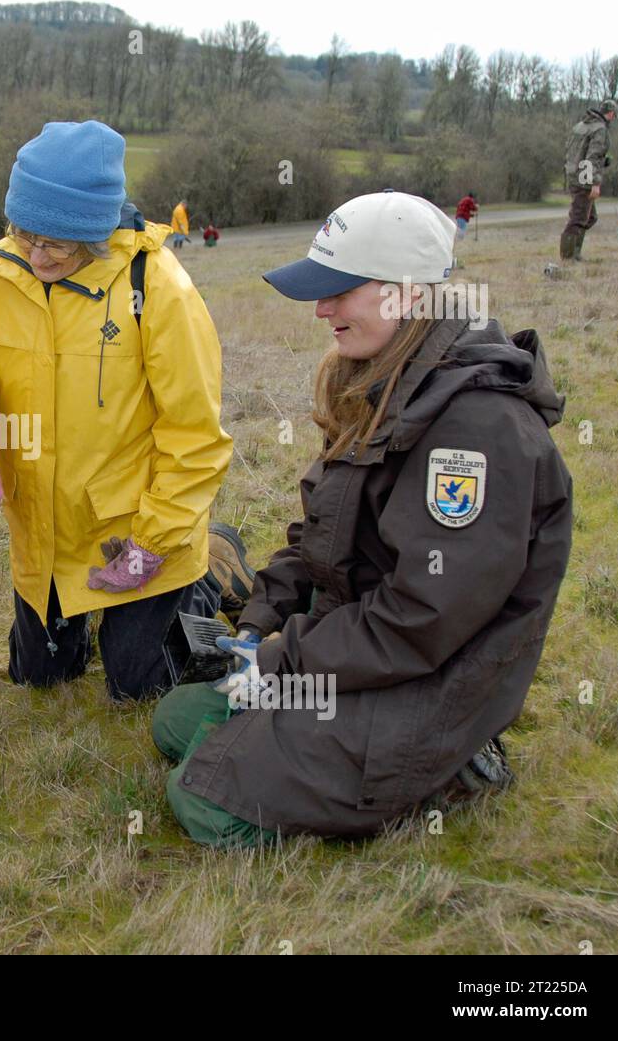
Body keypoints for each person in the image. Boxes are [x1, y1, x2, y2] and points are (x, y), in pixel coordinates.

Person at [155, 191, 573, 847]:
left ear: (406, 295)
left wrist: (283, 661)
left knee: (203, 799)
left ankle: (452, 767)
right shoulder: (381, 378)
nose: (322, 309)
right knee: (178, 723)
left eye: (339, 291)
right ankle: (295, 751)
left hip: (426, 682)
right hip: (358, 651)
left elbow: (422, 622)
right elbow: (320, 533)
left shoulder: (478, 431)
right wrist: (261, 625)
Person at [0, 120, 247, 702]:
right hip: (45, 537)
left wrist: (152, 543)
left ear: (95, 230)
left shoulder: (157, 284)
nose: (36, 253)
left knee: (141, 686)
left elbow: (196, 436)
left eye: (55, 241)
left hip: (135, 530)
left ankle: (214, 563)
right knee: (41, 680)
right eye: (25, 234)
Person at [561, 99, 618, 261]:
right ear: (611, 114)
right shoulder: (600, 130)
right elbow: (593, 157)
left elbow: (574, 151)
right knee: (578, 218)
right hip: (584, 179)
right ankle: (568, 257)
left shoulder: (581, 125)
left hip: (572, 174)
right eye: (614, 116)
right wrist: (594, 183)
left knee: (590, 217)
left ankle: (575, 253)